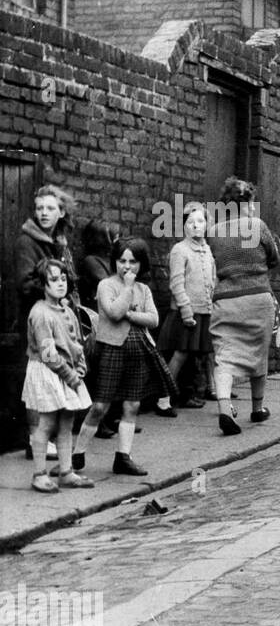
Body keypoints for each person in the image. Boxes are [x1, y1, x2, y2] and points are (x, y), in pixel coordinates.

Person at [71, 238, 178, 475]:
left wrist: (131, 313)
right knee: (100, 405)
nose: (127, 267)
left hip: (138, 350)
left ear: (142, 264)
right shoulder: (107, 286)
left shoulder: (145, 289)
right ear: (114, 262)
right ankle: (77, 454)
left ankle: (123, 457)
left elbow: (154, 319)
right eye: (122, 261)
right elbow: (114, 313)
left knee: (132, 404)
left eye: (133, 262)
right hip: (112, 349)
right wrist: (128, 292)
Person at [208, 178, 280, 436]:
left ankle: (225, 408)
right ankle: (257, 409)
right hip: (257, 299)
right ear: (246, 202)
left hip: (225, 301)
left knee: (224, 356)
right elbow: (274, 258)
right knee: (259, 353)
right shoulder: (257, 226)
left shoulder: (214, 232)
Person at [18, 185, 79, 460]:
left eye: (50, 208)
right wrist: (54, 284)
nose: (44, 213)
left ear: (61, 212)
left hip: (60, 317)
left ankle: (48, 437)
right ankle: (35, 440)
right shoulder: (27, 241)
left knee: (56, 376)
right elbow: (24, 282)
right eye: (40, 208)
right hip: (38, 318)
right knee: (39, 378)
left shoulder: (60, 241)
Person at [23, 258, 93, 492]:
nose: (60, 284)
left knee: (67, 421)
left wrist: (80, 366)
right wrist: (71, 375)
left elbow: (76, 342)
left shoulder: (67, 310)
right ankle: (39, 473)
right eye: (53, 280)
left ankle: (66, 471)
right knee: (46, 423)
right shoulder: (40, 313)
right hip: (49, 372)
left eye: (63, 279)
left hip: (67, 372)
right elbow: (48, 354)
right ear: (43, 284)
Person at [155, 202, 217, 416]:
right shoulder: (180, 250)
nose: (195, 226)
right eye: (190, 223)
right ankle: (163, 399)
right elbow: (176, 283)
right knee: (180, 354)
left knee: (200, 354)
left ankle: (200, 391)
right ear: (184, 227)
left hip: (204, 312)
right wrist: (185, 309)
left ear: (207, 225)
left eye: (200, 221)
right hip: (185, 312)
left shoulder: (207, 250)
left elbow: (212, 279)